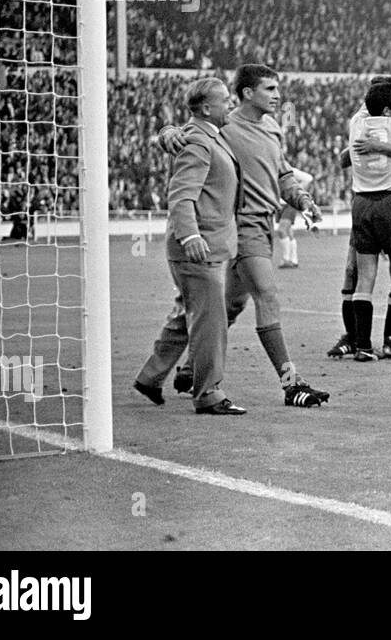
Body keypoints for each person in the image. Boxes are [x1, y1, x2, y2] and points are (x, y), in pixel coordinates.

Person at [159, 66, 329, 408]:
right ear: (247, 93)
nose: (278, 95)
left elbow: (283, 173)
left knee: (228, 305)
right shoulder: (226, 126)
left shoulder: (272, 127)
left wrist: (302, 199)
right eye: (270, 88)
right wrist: (167, 132)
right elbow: (189, 132)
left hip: (264, 225)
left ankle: (185, 369)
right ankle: (291, 383)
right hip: (243, 225)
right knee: (267, 295)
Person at [134, 78, 245, 415]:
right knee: (210, 320)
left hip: (205, 245)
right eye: (226, 100)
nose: (232, 105)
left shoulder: (205, 135)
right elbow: (181, 194)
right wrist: (191, 236)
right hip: (199, 248)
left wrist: (166, 131)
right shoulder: (199, 140)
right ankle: (208, 393)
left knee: (186, 315)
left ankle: (151, 376)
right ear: (207, 108)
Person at [329, 78, 391, 360]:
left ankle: (382, 341)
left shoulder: (358, 123)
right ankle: (388, 341)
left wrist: (372, 146)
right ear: (390, 106)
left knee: (375, 275)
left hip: (370, 200)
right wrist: (379, 145)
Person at [276, 168, 315, 268]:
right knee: (289, 232)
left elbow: (308, 178)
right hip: (278, 204)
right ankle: (294, 260)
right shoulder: (273, 166)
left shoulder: (289, 169)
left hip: (289, 204)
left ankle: (286, 259)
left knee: (281, 230)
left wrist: (296, 193)